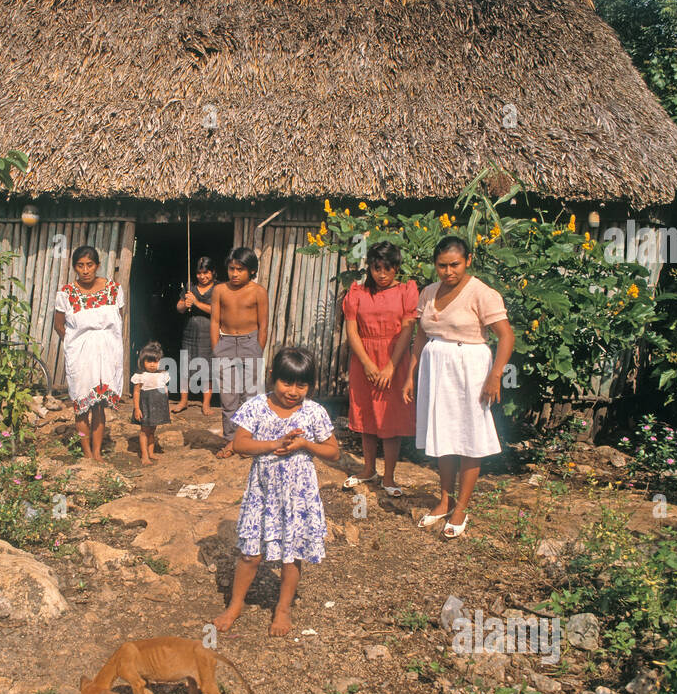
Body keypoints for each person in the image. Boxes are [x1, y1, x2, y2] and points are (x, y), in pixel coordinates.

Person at [212, 346, 340, 637]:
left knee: (291, 555)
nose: (293, 391)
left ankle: (283, 608)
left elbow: (333, 452)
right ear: (272, 377)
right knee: (250, 555)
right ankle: (235, 605)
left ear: (311, 385)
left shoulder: (314, 412)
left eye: (302, 384)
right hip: (262, 494)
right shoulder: (257, 406)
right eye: (286, 382)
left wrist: (307, 445)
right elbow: (240, 445)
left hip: (298, 498)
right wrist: (273, 444)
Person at [401, 236, 514, 538]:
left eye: (455, 264)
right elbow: (421, 337)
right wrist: (412, 374)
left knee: (468, 436)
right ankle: (444, 500)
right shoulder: (428, 292)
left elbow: (506, 336)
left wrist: (495, 374)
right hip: (436, 366)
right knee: (443, 433)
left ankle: (461, 507)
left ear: (468, 261)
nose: (448, 271)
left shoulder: (483, 293)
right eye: (442, 265)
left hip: (469, 367)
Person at [340, 241, 419, 497]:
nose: (382, 274)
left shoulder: (407, 292)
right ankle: (368, 470)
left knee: (391, 418)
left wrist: (390, 368)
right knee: (367, 416)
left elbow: (408, 330)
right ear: (369, 268)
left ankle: (389, 477)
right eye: (376, 268)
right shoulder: (357, 293)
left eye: (387, 268)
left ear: (396, 268)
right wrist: (367, 364)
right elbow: (352, 330)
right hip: (364, 359)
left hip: (395, 359)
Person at [53, 245, 125, 462]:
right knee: (81, 404)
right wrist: (76, 345)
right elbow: (59, 326)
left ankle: (97, 453)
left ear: (97, 265)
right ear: (75, 267)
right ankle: (86, 454)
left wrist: (106, 344)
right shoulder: (66, 293)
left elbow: (118, 320)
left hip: (107, 351)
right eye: (80, 265)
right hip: (80, 354)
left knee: (100, 404)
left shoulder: (113, 289)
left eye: (89, 265)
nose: (85, 270)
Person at [210, 248, 269, 459]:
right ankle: (230, 441)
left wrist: (257, 348)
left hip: (249, 343)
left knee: (250, 395)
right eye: (231, 268)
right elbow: (215, 321)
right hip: (225, 343)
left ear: (251, 271)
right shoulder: (220, 291)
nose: (234, 273)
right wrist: (217, 348)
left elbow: (263, 325)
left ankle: (248, 441)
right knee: (228, 397)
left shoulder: (258, 292)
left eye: (240, 269)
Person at [174, 256, 216, 415]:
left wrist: (197, 303)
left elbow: (218, 311)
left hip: (210, 334)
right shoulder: (190, 287)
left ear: (213, 272)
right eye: (199, 273)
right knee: (186, 367)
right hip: (190, 333)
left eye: (206, 273)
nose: (202, 277)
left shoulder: (219, 289)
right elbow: (178, 308)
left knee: (208, 369)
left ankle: (206, 404)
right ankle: (183, 401)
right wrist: (185, 304)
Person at [131, 341, 171, 466]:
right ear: (143, 361)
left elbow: (165, 391)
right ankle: (144, 456)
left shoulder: (163, 375)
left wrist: (166, 407)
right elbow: (136, 393)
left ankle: (151, 452)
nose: (153, 365)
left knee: (152, 430)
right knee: (144, 431)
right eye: (149, 361)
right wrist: (137, 408)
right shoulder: (141, 376)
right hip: (146, 405)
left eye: (156, 361)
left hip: (158, 405)